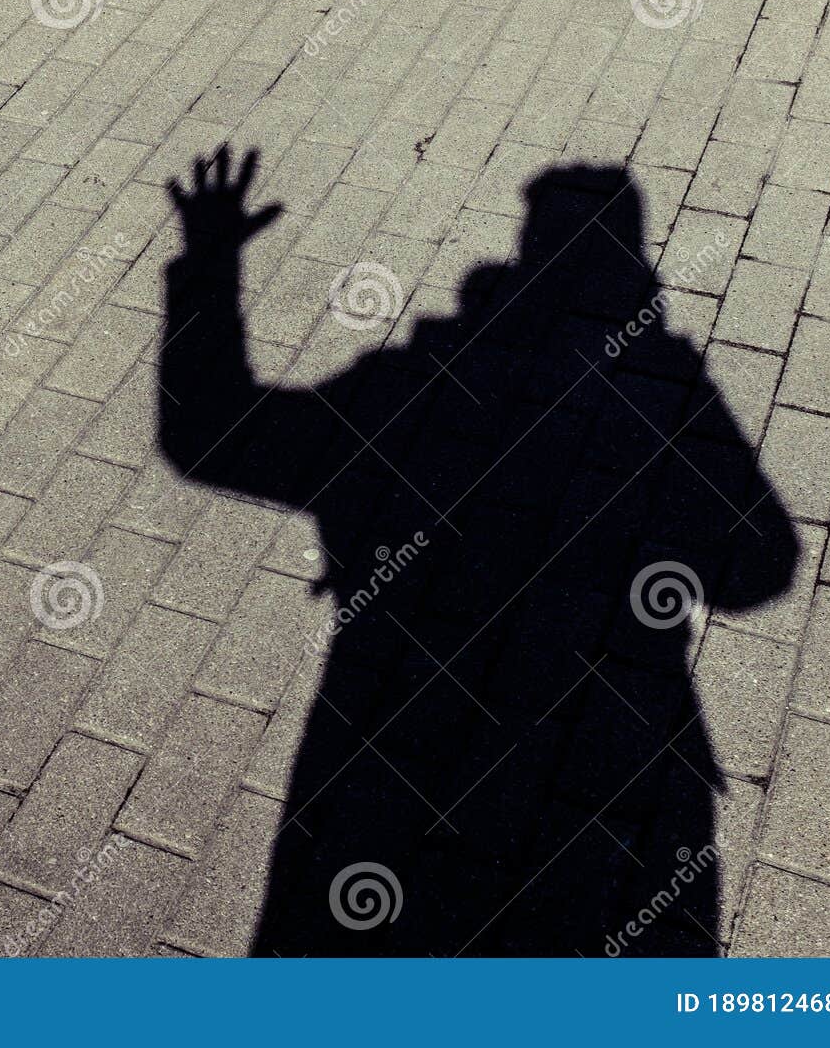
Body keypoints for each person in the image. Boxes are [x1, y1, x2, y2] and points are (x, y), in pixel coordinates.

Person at [159, 146, 797, 956]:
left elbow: (213, 434)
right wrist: (682, 406)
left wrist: (208, 262)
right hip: (614, 778)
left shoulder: (401, 391)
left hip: (387, 764)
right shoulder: (651, 386)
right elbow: (759, 566)